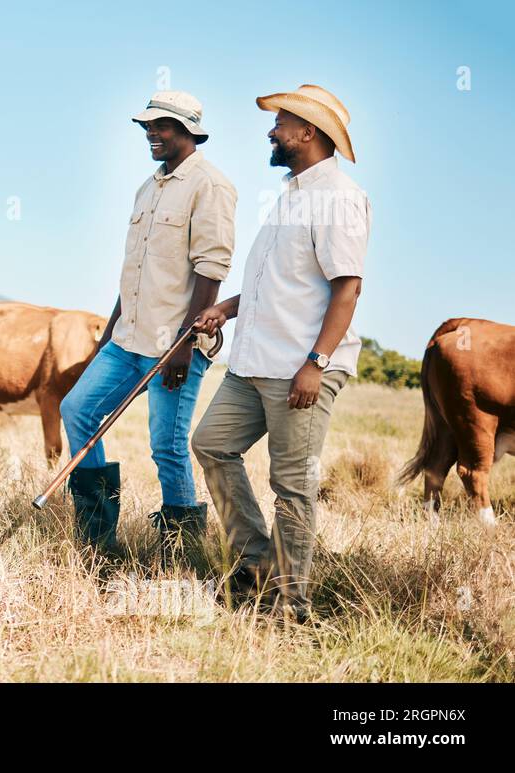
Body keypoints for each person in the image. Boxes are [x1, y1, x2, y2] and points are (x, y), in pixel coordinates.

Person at [192, 84, 371, 622]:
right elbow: (281, 282)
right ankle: (256, 565)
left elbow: (347, 288)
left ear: (308, 132)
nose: (272, 132)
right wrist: (227, 308)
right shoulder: (290, 196)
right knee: (211, 444)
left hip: (301, 367)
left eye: (281, 124)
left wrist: (315, 364)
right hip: (251, 363)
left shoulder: (339, 198)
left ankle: (290, 608)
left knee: (292, 488)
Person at [59, 91, 236, 553]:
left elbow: (211, 269)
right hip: (126, 339)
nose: (151, 135)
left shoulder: (210, 186)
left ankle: (181, 552)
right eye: (147, 128)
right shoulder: (147, 188)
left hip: (172, 345)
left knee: (168, 448)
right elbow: (134, 276)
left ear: (189, 131)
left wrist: (184, 342)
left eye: (161, 127)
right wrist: (105, 339)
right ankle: (98, 540)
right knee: (77, 409)